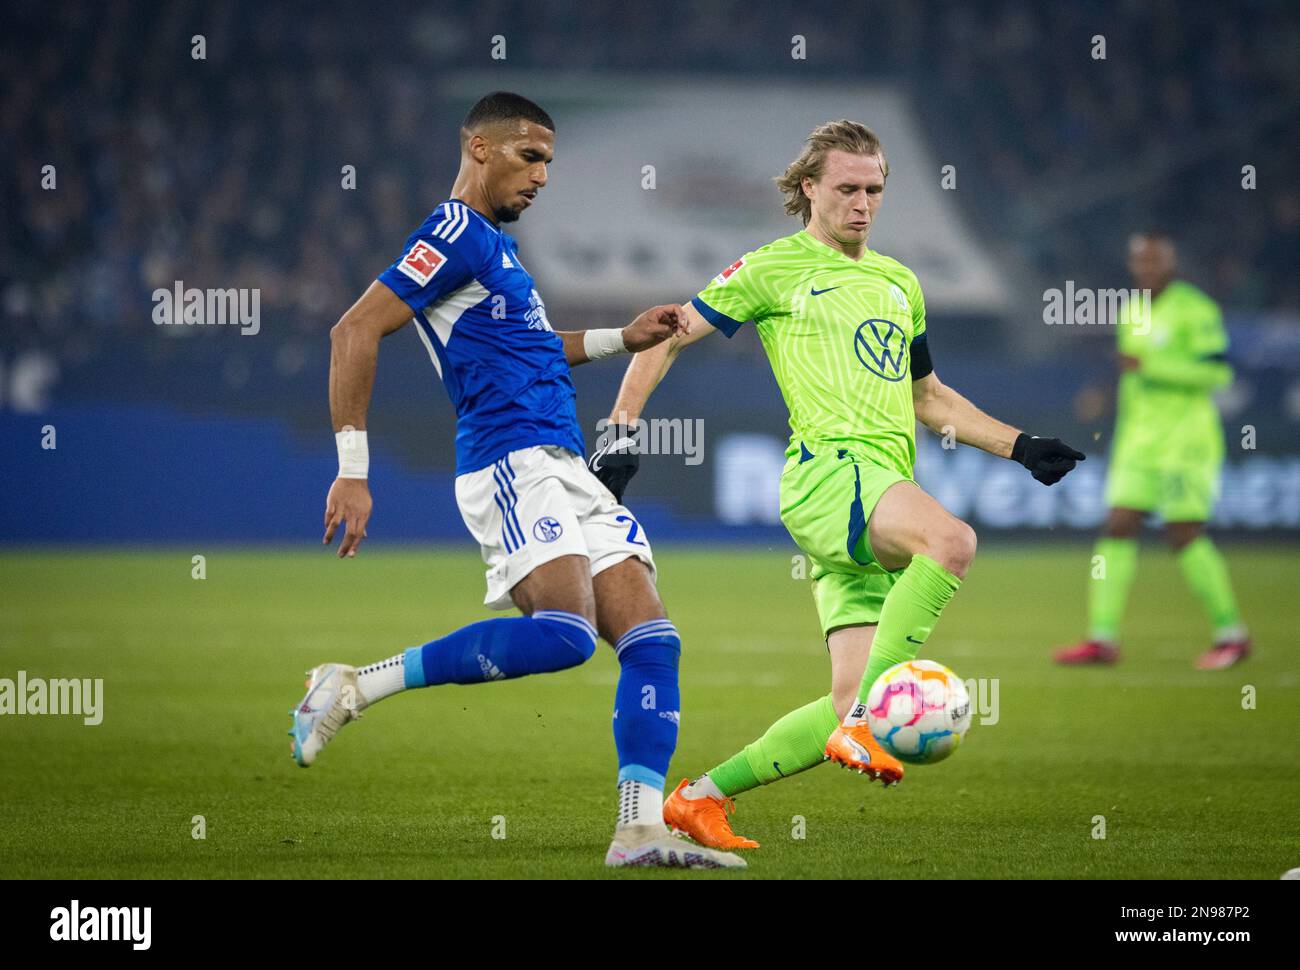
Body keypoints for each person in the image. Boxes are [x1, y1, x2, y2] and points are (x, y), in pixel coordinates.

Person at [589, 120, 1083, 849]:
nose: (861, 203)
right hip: (831, 473)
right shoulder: (772, 267)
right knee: (951, 541)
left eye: (874, 189)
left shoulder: (898, 281)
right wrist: (622, 426)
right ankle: (859, 728)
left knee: (851, 698)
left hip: (879, 485)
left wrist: (1019, 446)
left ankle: (698, 797)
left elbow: (928, 396)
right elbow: (668, 332)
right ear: (809, 188)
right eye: (847, 188)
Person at [290, 91, 744, 870]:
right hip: (510, 462)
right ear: (478, 148)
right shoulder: (454, 231)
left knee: (654, 641)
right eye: (529, 157)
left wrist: (617, 338)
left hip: (564, 464)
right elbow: (354, 329)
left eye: (549, 164)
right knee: (566, 639)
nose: (541, 177)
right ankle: (352, 686)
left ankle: (638, 830)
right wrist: (353, 471)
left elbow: (533, 350)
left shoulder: (499, 253)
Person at [1054, 231, 1249, 669]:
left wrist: (1154, 366)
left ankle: (1232, 634)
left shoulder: (1195, 309)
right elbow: (1131, 369)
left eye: (1155, 261)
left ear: (1171, 262)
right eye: (1141, 261)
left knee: (1183, 533)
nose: (1147, 269)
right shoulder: (1133, 310)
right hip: (1138, 441)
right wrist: (1104, 395)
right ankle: (1102, 638)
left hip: (1185, 441)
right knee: (1117, 526)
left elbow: (1217, 374)